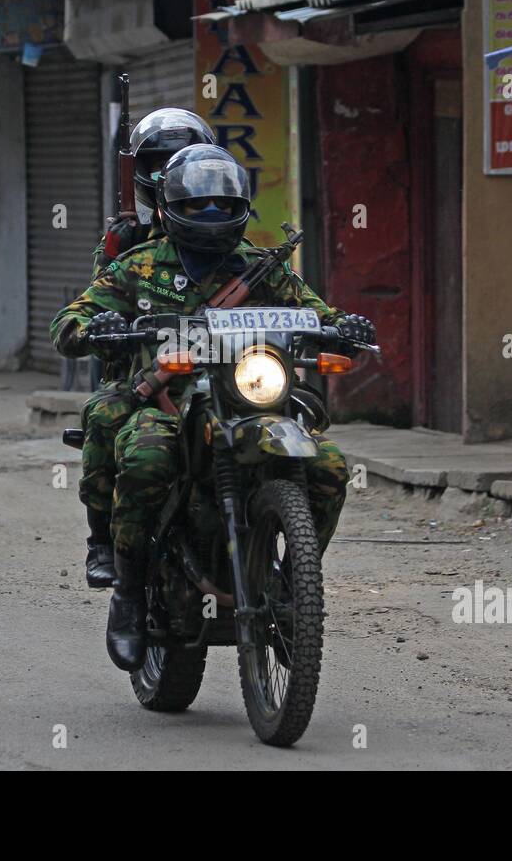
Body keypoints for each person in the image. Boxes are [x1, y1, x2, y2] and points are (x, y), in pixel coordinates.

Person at [51, 144, 376, 670]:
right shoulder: (139, 267)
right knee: (146, 457)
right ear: (171, 207)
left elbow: (315, 312)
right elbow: (72, 319)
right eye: (198, 206)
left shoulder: (261, 267)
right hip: (164, 400)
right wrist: (94, 328)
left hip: (249, 395)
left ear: (241, 209)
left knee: (330, 466)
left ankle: (296, 588)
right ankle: (129, 596)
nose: (210, 216)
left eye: (222, 206)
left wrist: (345, 327)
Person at [77, 108, 216, 590]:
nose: (167, 172)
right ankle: (108, 547)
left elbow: (295, 303)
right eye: (156, 163)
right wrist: (116, 252)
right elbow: (90, 307)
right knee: (108, 420)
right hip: (145, 376)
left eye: (178, 160)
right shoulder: (133, 251)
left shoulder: (233, 244)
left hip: (227, 381)